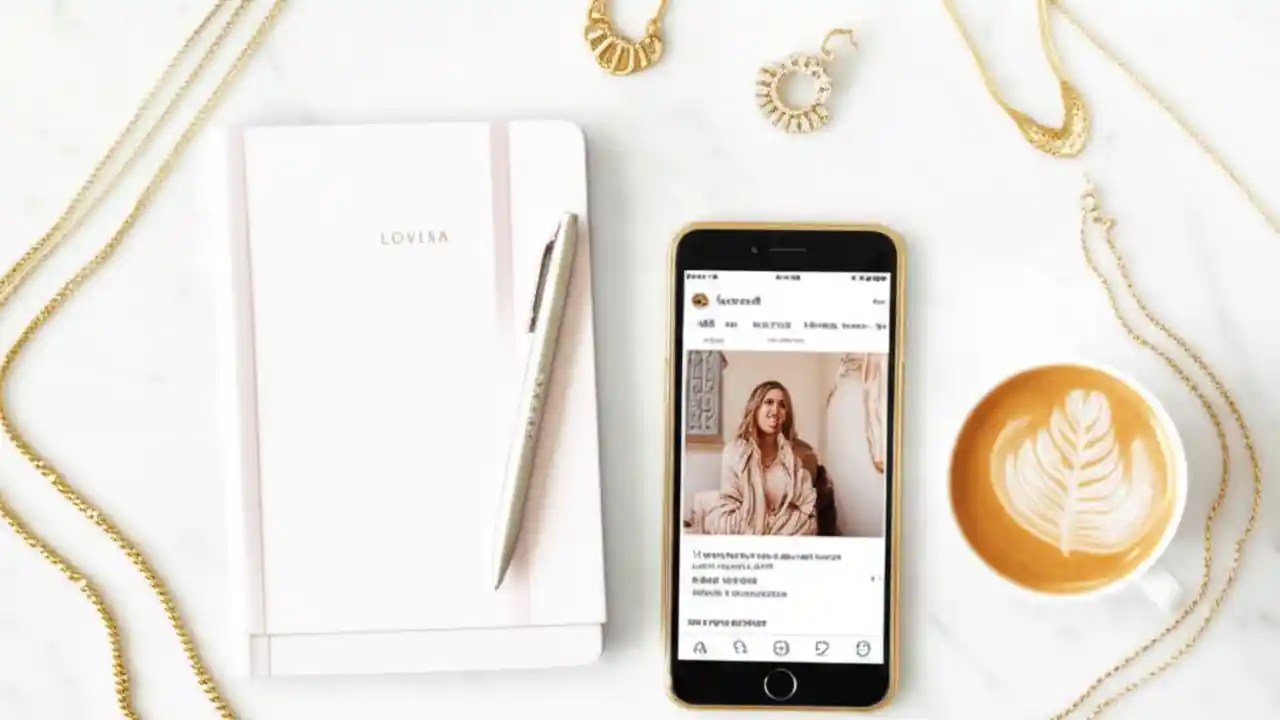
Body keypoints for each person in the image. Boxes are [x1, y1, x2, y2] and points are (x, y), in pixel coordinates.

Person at [703, 380, 818, 535]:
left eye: (782, 405)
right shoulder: (735, 452)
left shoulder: (793, 458)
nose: (775, 410)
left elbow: (808, 515)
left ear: (786, 415)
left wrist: (767, 526)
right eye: (768, 402)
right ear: (755, 408)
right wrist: (763, 523)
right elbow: (726, 515)